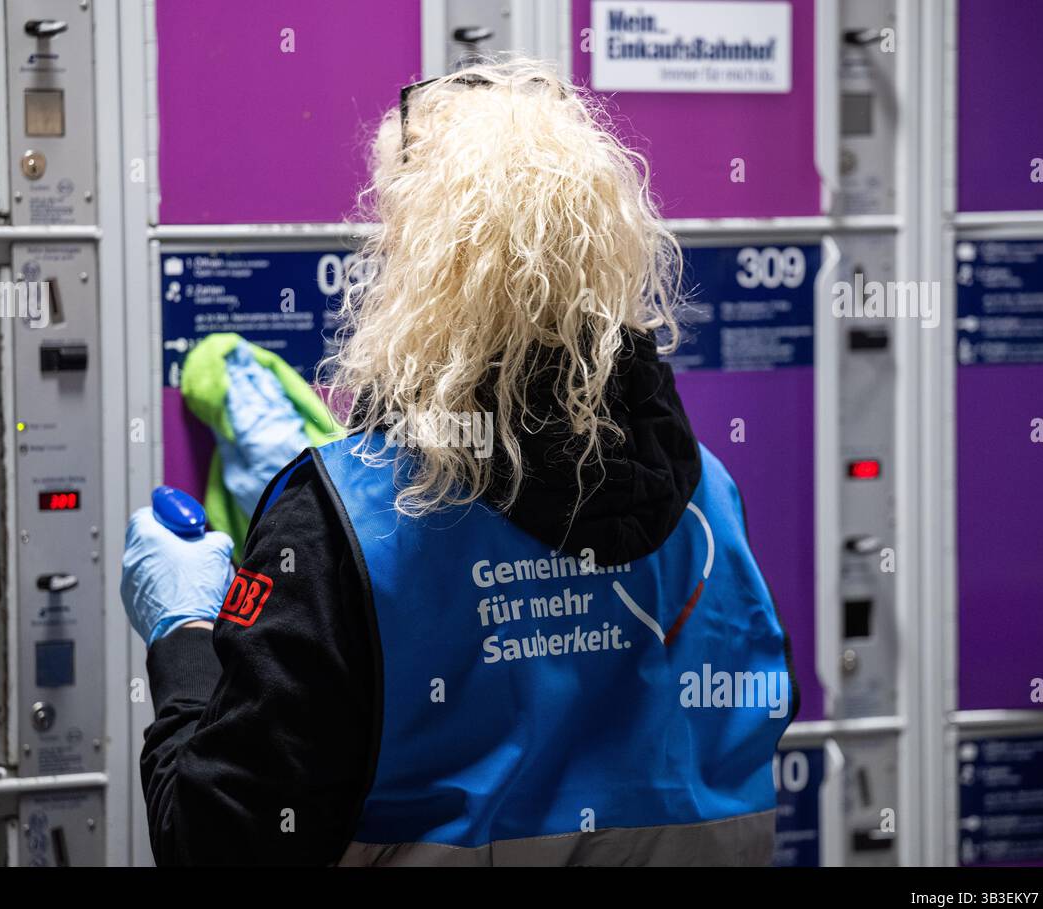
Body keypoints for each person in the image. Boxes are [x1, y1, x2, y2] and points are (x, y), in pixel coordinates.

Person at [121, 58, 797, 866]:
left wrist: (185, 629)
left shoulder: (350, 521)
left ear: (420, 274)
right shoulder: (709, 498)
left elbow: (213, 840)